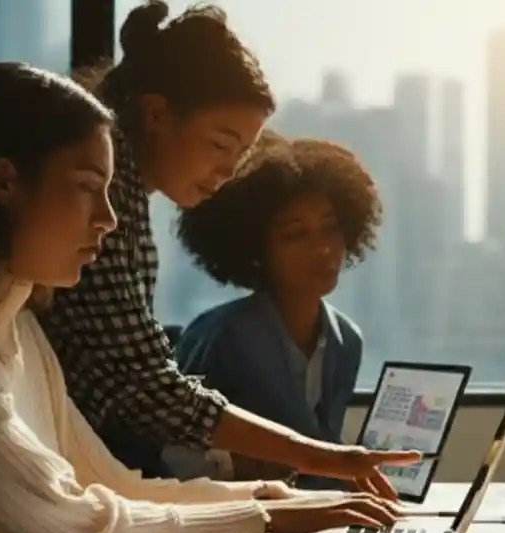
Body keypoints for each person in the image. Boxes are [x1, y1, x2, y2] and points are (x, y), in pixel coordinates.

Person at [0, 63, 399, 533]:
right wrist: (267, 516)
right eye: (88, 187)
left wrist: (261, 494)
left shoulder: (23, 337)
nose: (108, 218)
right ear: (6, 182)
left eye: (111, 191)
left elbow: (107, 484)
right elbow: (72, 521)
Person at [38, 1, 414, 494]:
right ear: (155, 114)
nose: (228, 170)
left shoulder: (129, 201)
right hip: (79, 470)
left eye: (241, 154)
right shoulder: (109, 204)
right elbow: (148, 389)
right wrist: (318, 458)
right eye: (220, 144)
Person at [160, 135, 376, 488]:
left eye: (331, 228)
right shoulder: (223, 336)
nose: (322, 248)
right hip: (226, 521)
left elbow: (324, 454)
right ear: (255, 249)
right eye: (295, 235)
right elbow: (166, 452)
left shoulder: (346, 340)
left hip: (311, 520)